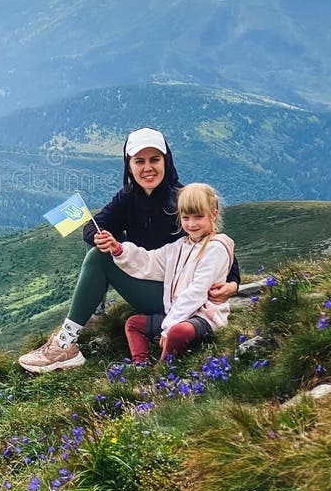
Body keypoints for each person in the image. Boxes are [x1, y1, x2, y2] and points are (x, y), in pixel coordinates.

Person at [18, 127, 240, 373]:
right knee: (103, 250)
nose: (147, 168)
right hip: (148, 275)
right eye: (139, 161)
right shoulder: (127, 197)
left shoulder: (183, 199)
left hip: (176, 295)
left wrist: (233, 284)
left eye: (155, 159)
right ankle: (68, 341)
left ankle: (65, 344)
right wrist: (102, 239)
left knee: (99, 257)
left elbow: (216, 248)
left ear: (166, 161)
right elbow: (94, 226)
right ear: (129, 165)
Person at [107, 182, 233, 365]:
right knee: (133, 324)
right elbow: (149, 261)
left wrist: (168, 327)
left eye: (198, 217)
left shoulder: (217, 247)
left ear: (213, 214)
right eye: (186, 217)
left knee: (177, 333)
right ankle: (140, 365)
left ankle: (163, 370)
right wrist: (119, 250)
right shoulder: (178, 246)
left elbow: (197, 291)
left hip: (204, 318)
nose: (191, 224)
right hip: (176, 316)